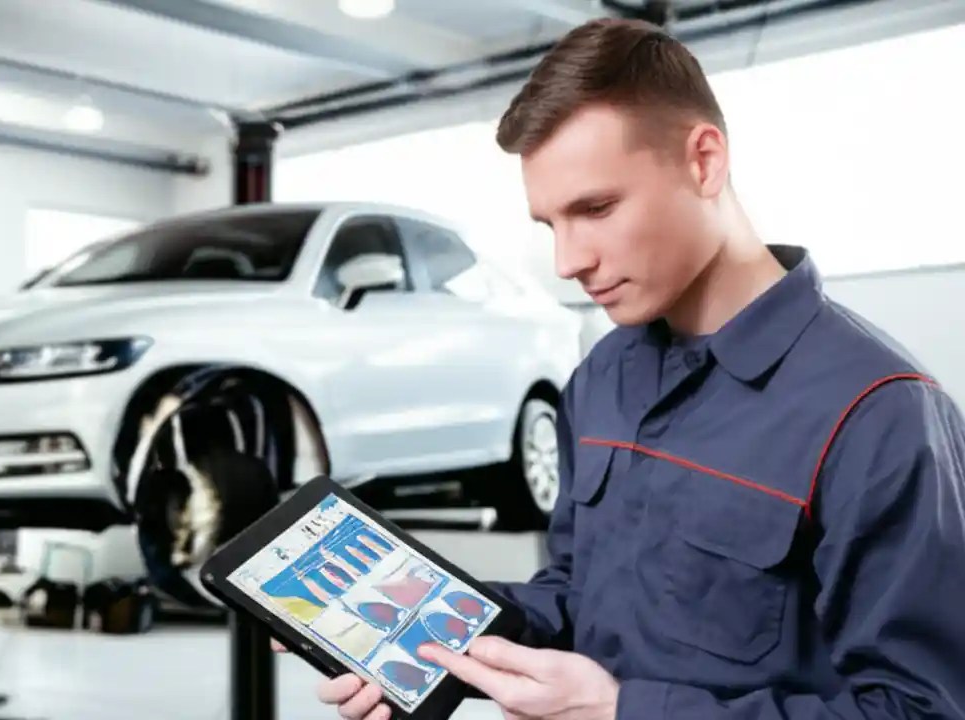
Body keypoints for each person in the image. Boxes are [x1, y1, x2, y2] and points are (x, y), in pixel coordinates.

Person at [309, 16, 965, 720]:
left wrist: (626, 711)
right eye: (550, 225)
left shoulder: (879, 413)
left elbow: (920, 709)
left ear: (704, 162)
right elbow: (577, 597)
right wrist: (430, 632)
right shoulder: (601, 377)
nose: (569, 262)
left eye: (596, 208)